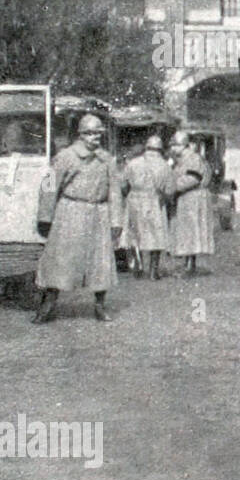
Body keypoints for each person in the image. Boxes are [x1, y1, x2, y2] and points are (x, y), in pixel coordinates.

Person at [32, 112, 123, 323]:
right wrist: (45, 217)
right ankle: (48, 305)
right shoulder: (65, 157)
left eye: (98, 134)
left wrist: (116, 221)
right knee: (59, 261)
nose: (95, 137)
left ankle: (100, 306)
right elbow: (48, 186)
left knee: (101, 263)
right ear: (81, 134)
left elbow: (115, 193)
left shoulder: (107, 160)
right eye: (90, 134)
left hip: (98, 213)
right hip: (69, 212)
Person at [121, 134, 175, 280]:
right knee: (156, 237)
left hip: (134, 200)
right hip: (154, 201)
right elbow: (170, 190)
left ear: (147, 147)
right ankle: (153, 271)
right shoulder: (165, 166)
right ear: (160, 149)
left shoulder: (133, 163)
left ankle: (138, 265)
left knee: (134, 234)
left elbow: (123, 184)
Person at [169, 131, 214, 277]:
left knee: (191, 232)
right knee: (187, 232)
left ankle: (189, 266)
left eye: (175, 146)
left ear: (183, 145)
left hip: (193, 198)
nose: (173, 149)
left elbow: (192, 178)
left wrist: (173, 187)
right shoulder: (184, 158)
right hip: (187, 198)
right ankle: (188, 264)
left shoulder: (191, 158)